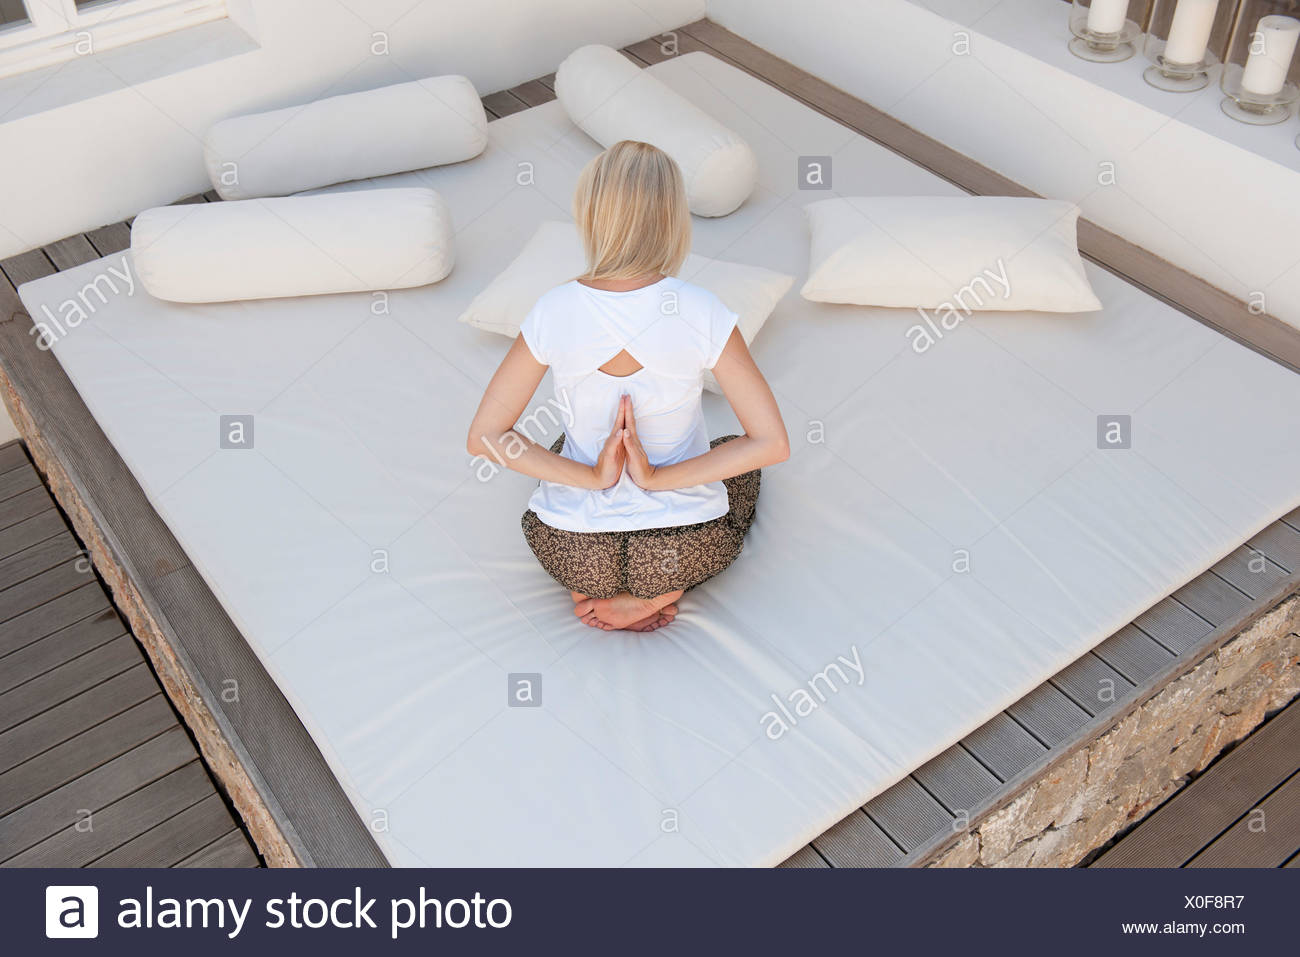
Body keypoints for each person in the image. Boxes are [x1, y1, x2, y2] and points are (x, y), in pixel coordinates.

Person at [466, 140, 788, 632]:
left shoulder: (553, 309)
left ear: (591, 216)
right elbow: (772, 443)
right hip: (676, 552)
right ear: (673, 220)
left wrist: (596, 477)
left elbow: (486, 436)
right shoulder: (703, 309)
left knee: (557, 448)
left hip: (575, 552)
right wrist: (655, 479)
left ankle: (591, 591)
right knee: (739, 463)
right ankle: (658, 594)